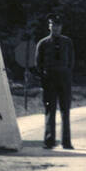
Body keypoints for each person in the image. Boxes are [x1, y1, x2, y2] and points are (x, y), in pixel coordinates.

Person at [35, 13, 74, 149]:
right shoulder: (43, 43)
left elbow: (71, 61)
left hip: (64, 80)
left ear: (61, 27)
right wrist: (43, 78)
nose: (55, 28)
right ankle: (49, 141)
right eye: (53, 25)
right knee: (50, 111)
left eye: (57, 26)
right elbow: (38, 63)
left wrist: (67, 74)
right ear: (49, 27)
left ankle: (66, 142)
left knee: (65, 111)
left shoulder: (67, 42)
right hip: (49, 81)